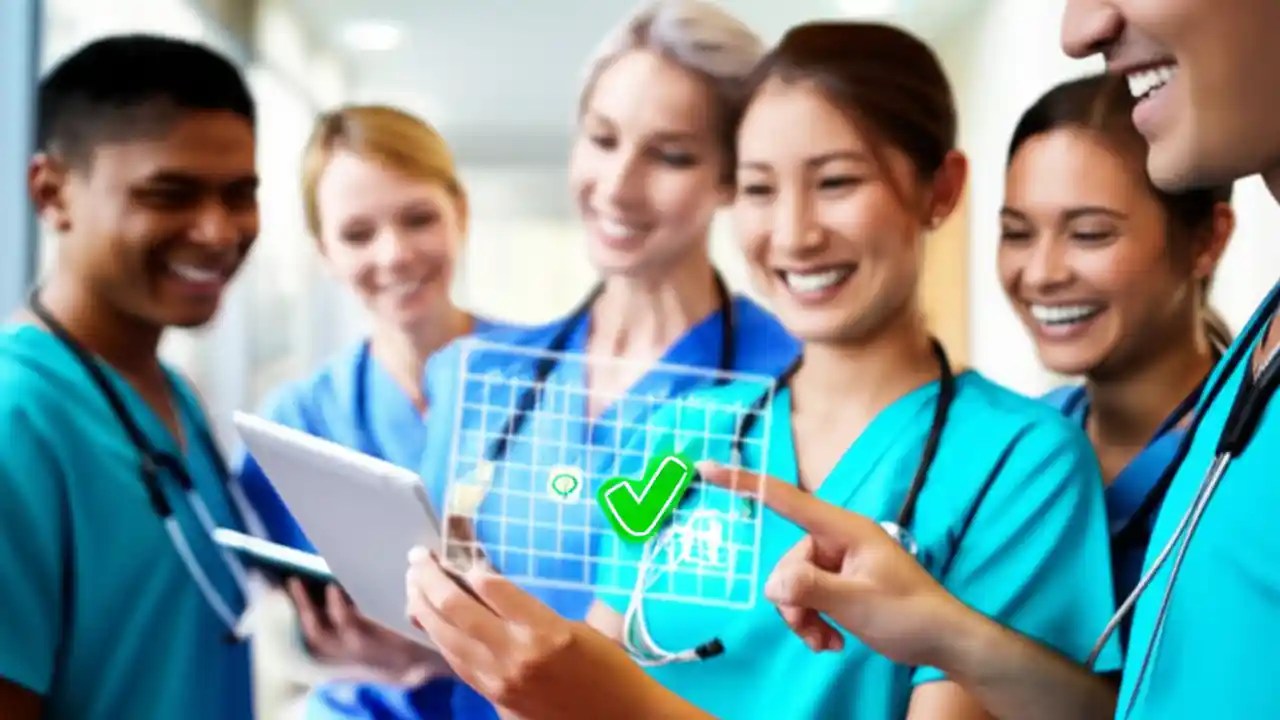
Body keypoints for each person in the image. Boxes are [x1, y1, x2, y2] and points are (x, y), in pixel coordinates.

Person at [407, 21, 1124, 720]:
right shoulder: (683, 433)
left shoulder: (1019, 463)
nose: (793, 234)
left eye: (837, 182)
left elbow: (598, 691)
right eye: (758, 189)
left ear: (940, 189)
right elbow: (586, 670)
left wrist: (607, 702)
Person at [417, 0, 799, 716]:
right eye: (603, 139)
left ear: (731, 176)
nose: (619, 185)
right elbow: (437, 591)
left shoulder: (792, 385)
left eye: (671, 154)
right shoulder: (479, 374)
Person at [0, 35, 259, 719]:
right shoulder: (16, 418)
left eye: (241, 194)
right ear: (52, 193)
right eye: (169, 194)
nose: (218, 231)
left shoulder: (172, 398)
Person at [234, 105, 492, 719]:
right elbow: (282, 608)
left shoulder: (558, 382)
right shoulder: (297, 420)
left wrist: (442, 653)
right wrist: (324, 639)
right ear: (324, 250)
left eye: (419, 218)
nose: (395, 254)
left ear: (460, 212)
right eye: (357, 234)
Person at [998, 73, 1235, 645]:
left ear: (1206, 241)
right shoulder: (1017, 447)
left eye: (1090, 234)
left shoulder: (1246, 458)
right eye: (1017, 233)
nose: (1042, 273)